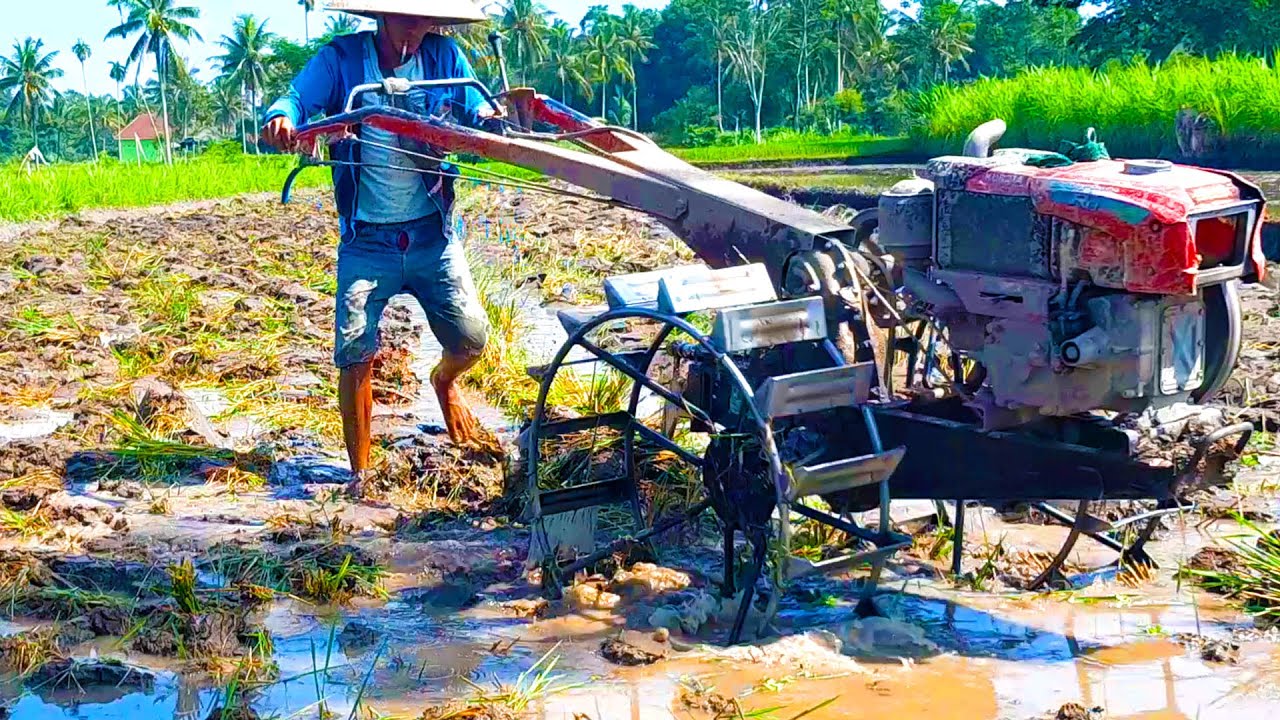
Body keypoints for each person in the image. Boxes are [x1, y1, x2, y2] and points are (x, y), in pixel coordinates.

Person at [261, 0, 497, 495]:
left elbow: (476, 106)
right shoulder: (342, 61)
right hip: (367, 238)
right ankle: (360, 477)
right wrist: (283, 118)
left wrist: (488, 117)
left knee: (471, 340)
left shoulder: (444, 58)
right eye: (410, 17)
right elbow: (294, 101)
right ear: (381, 18)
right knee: (354, 353)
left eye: (428, 19)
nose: (420, 28)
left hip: (432, 232)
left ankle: (444, 382)